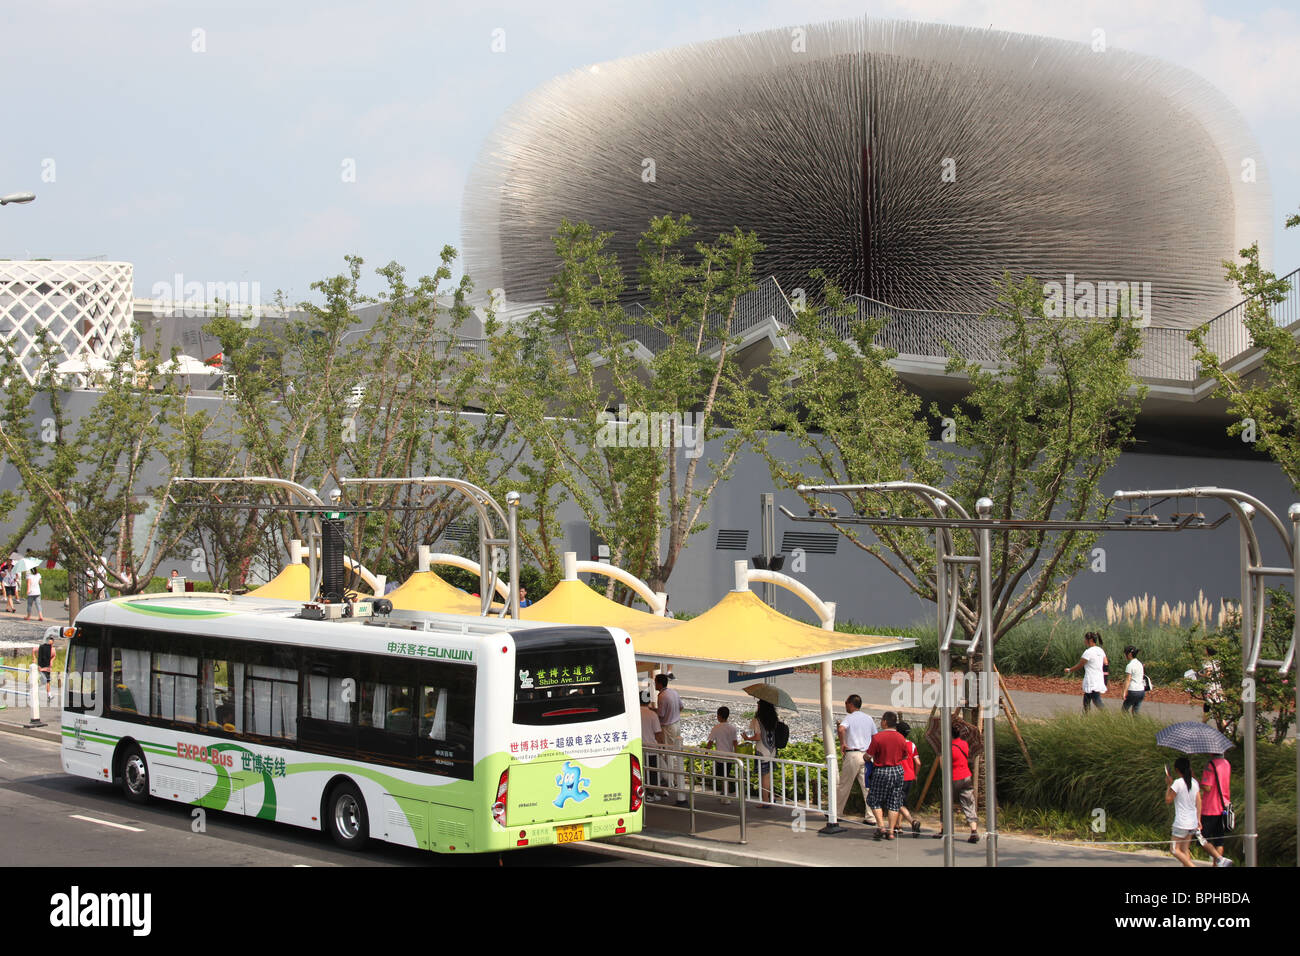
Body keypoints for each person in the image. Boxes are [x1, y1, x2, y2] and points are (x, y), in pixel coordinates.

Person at [1166, 757, 1231, 867]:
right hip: (1192, 822)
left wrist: (1168, 784)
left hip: (1181, 823)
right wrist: (1199, 819)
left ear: (1177, 770)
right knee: (1184, 849)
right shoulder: (1194, 782)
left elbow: (1168, 799)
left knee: (1174, 849)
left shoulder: (1178, 783)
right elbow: (1199, 801)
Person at [864, 711, 910, 840]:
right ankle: (890, 831)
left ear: (885, 722)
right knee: (894, 801)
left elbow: (869, 755)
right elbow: (905, 756)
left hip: (881, 770)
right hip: (897, 771)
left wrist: (866, 757)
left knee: (874, 799)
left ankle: (881, 826)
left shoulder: (878, 737)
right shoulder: (901, 738)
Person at [933, 722, 980, 843]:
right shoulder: (964, 744)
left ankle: (944, 829)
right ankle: (974, 830)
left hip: (953, 778)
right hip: (966, 777)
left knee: (946, 804)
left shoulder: (947, 748)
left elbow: (943, 767)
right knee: (969, 803)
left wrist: (941, 755)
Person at [834, 694, 877, 823]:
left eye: (846, 703)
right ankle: (871, 816)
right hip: (867, 755)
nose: (845, 705)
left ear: (851, 704)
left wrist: (843, 743)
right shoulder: (869, 718)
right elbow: (875, 736)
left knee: (844, 785)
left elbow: (841, 729)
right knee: (867, 787)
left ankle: (837, 812)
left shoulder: (849, 718)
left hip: (853, 754)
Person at [654, 673, 686, 805]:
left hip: (667, 727)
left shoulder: (662, 696)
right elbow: (681, 706)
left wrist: (652, 710)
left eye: (655, 682)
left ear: (660, 684)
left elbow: (661, 714)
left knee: (668, 754)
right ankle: (679, 781)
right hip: (677, 724)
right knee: (677, 752)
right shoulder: (673, 692)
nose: (655, 684)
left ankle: (670, 783)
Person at [743, 699, 778, 807]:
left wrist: (745, 737)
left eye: (758, 704)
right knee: (768, 776)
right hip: (772, 750)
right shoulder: (774, 719)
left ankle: (765, 801)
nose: (757, 706)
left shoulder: (757, 720)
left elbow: (756, 736)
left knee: (763, 777)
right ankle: (771, 797)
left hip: (761, 751)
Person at [706, 706, 741, 802]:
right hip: (730, 756)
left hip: (720, 756)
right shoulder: (732, 728)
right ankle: (724, 793)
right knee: (726, 775)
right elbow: (735, 743)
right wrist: (736, 755)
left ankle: (725, 796)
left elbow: (710, 742)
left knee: (723, 777)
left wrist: (706, 753)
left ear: (719, 716)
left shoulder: (716, 728)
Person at [1064, 630, 1107, 710]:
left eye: (1085, 639)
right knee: (1087, 698)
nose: (1084, 641)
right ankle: (1085, 717)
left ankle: (1107, 715)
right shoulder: (1100, 650)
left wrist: (1069, 670)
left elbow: (1080, 665)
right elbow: (1105, 662)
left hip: (1091, 680)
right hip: (1099, 678)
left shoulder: (1088, 652)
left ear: (1090, 640)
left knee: (1096, 700)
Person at [1199, 752, 1232, 853]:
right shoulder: (1227, 764)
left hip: (1210, 807)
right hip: (1224, 806)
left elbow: (1207, 787)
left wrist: (1196, 781)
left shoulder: (1210, 765)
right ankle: (1217, 864)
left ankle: (1218, 859)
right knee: (1219, 841)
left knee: (1201, 839)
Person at [896, 720, 923, 836]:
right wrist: (915, 774)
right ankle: (899, 825)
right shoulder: (912, 745)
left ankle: (910, 822)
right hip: (910, 776)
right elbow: (918, 762)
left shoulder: (896, 744)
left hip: (898, 775)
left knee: (896, 801)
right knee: (903, 800)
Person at [639, 688, 665, 801]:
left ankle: (640, 792)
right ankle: (651, 794)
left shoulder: (633, 713)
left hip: (638, 748)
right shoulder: (652, 715)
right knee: (652, 772)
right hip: (651, 747)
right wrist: (662, 747)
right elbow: (658, 733)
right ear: (649, 700)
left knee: (640, 771)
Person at [1201, 646, 1224, 725]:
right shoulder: (1218, 662)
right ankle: (1203, 724)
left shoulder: (1207, 662)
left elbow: (1208, 674)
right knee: (1214, 707)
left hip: (1210, 687)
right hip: (1218, 686)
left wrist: (1200, 674)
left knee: (1209, 706)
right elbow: (1221, 675)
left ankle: (1203, 725)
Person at [1121, 645, 1146, 714]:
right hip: (1141, 691)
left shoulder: (1130, 665)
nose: (1125, 656)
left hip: (1133, 691)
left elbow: (1128, 680)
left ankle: (1125, 724)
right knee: (1136, 712)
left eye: (1125, 654)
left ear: (1129, 654)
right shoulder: (1140, 663)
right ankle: (1137, 724)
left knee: (1124, 710)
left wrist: (1124, 692)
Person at [33, 633, 56, 703]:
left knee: (47, 681)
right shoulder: (42, 647)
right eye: (49, 644)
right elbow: (34, 650)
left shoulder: (53, 650)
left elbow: (54, 656)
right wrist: (34, 658)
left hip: (47, 668)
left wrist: (52, 661)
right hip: (42, 667)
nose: (50, 645)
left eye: (51, 644)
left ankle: (49, 695)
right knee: (44, 681)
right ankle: (34, 691)